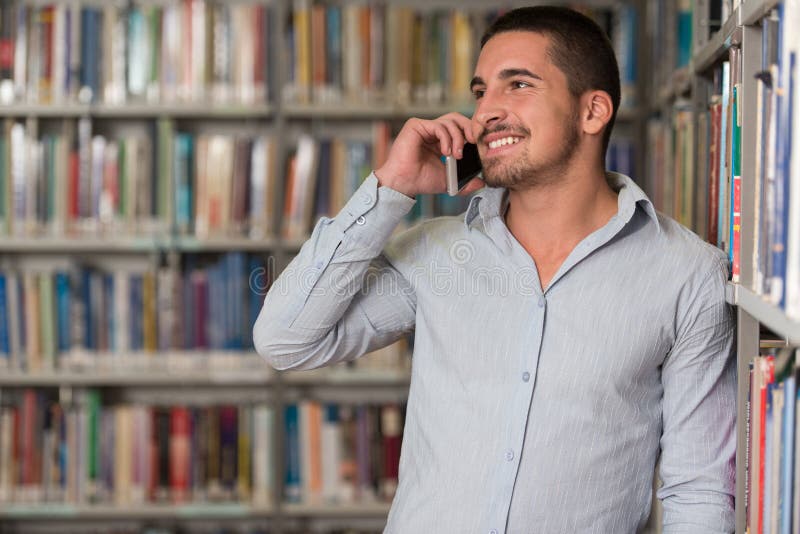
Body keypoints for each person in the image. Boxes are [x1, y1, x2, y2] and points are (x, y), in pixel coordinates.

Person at [254, 6, 735, 533]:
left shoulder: (687, 274)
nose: (486, 112)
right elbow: (284, 340)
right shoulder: (435, 253)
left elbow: (699, 494)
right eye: (481, 90)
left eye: (518, 85)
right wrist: (391, 189)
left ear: (592, 111)